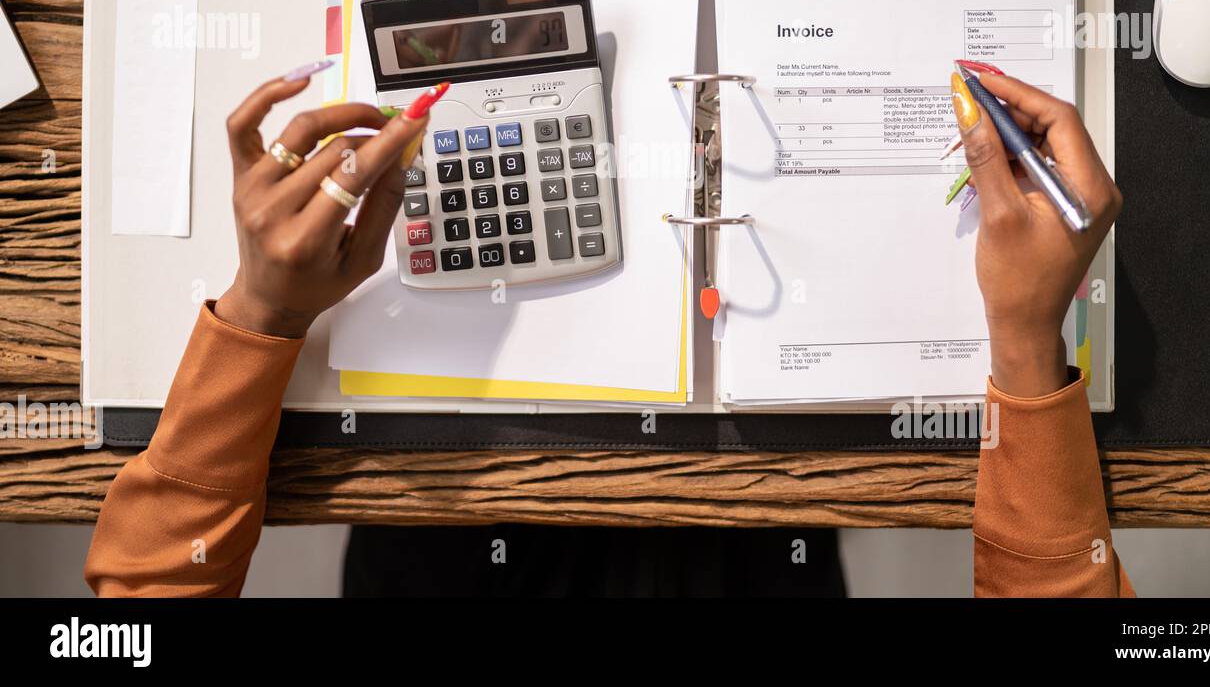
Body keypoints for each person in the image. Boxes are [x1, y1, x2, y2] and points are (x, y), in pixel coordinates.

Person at [83, 65, 1129, 597]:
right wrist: (1027, 345)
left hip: (443, 533)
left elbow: (137, 595)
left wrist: (261, 313)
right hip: (744, 560)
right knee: (776, 513)